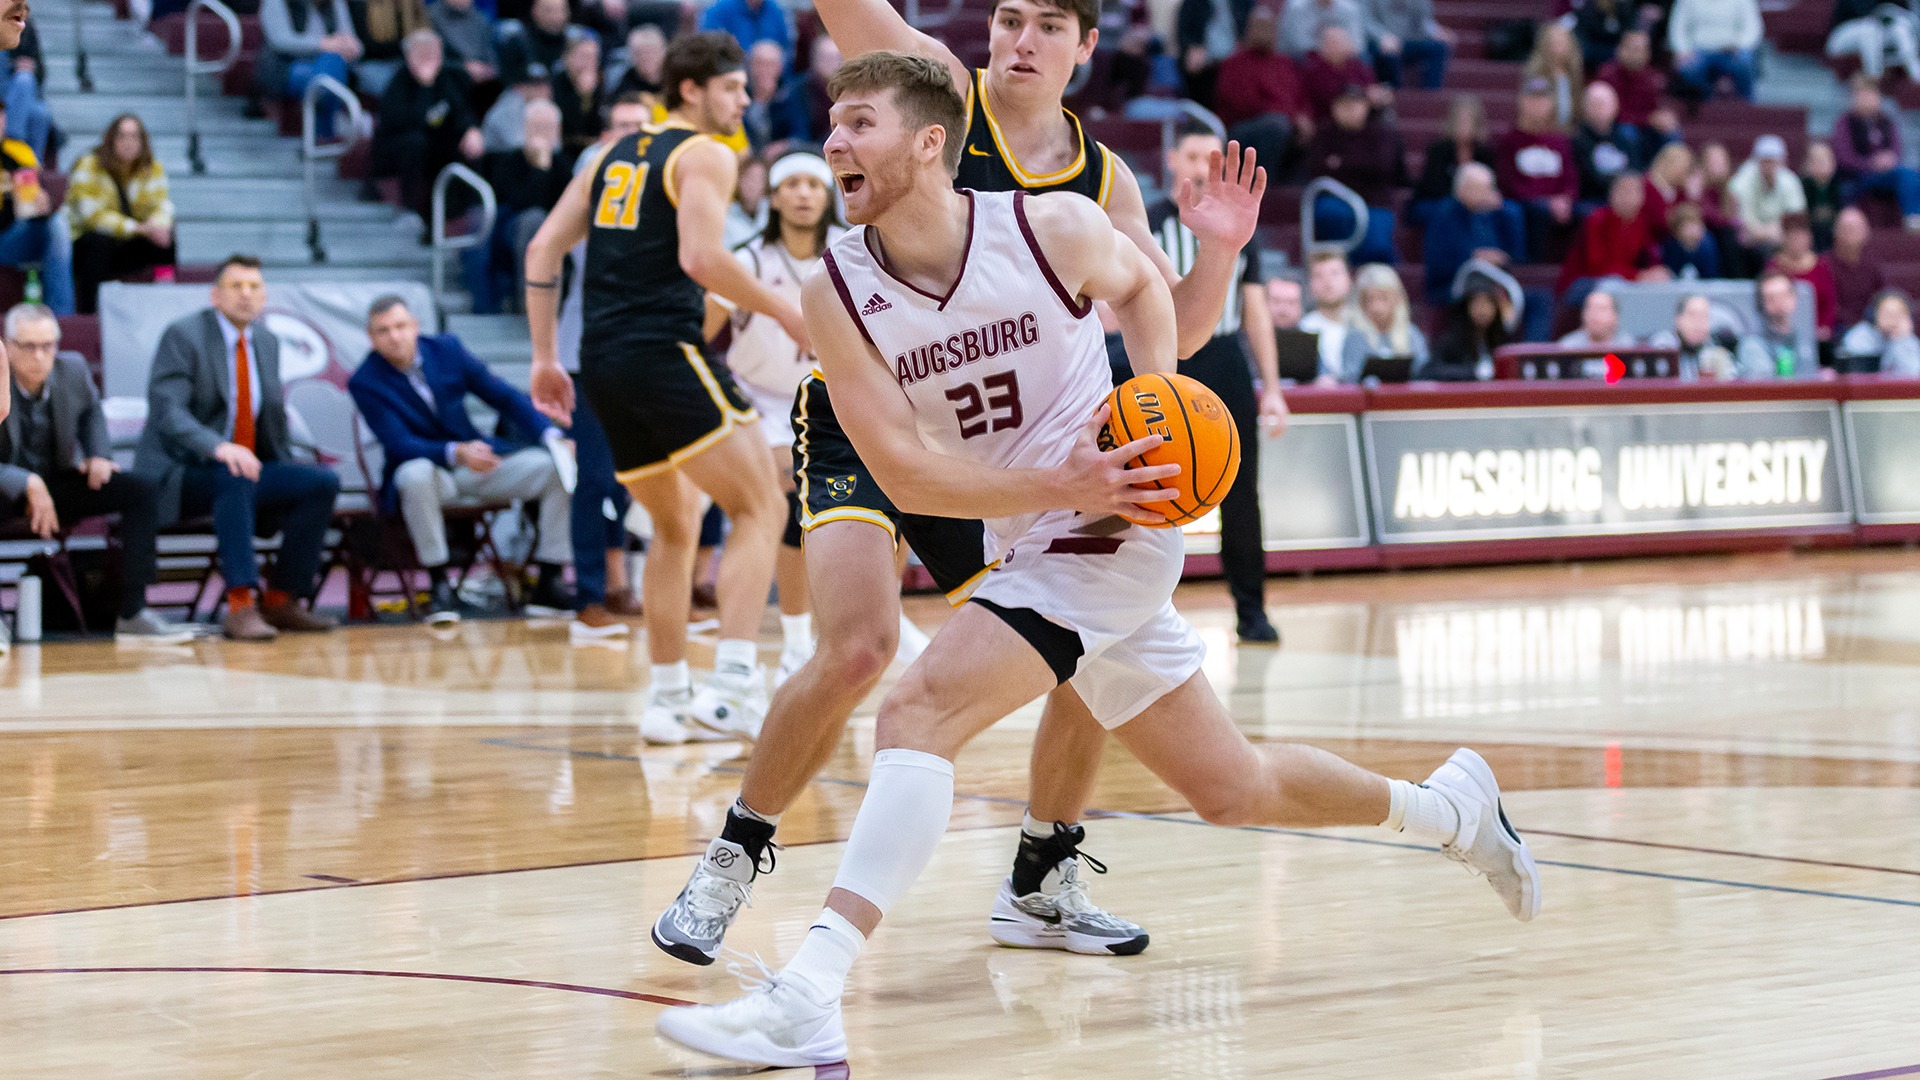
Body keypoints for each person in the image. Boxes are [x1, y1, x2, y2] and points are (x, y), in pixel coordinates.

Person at [654, 53, 1538, 1067]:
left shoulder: (1051, 227)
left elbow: (1146, 289)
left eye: (860, 123)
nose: (833, 141)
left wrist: (1155, 408)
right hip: (1032, 521)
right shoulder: (835, 290)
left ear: (930, 142)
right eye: (833, 122)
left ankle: (809, 992)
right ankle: (1451, 810)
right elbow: (903, 472)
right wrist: (1055, 481)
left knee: (917, 711)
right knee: (1234, 787)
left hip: (1114, 530)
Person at [647, 0, 1267, 969]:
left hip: (998, 444)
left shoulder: (1101, 181)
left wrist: (1218, 254)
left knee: (1081, 636)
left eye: (1049, 25)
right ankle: (732, 856)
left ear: (1086, 47)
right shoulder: (931, 88)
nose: (1021, 40)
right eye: (1009, 17)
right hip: (872, 414)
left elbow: (1168, 326)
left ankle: (1043, 872)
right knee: (859, 648)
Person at [525, 32, 797, 744]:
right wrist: (786, 309)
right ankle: (732, 688)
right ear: (690, 90)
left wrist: (544, 357)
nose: (744, 100)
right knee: (762, 504)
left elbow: (543, 248)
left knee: (675, 527)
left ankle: (668, 698)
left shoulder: (608, 155)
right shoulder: (704, 152)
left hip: (600, 361)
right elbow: (702, 258)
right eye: (732, 87)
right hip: (664, 350)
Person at [133, 255, 341, 642]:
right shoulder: (184, 335)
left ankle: (281, 599)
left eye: (254, 287)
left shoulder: (266, 341)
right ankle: (240, 604)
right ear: (215, 295)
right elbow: (168, 412)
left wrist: (283, 467)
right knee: (235, 474)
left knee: (320, 482)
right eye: (236, 286)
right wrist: (218, 447)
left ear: (264, 297)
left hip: (242, 470)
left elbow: (270, 418)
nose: (246, 294)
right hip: (181, 471)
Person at [1143, 123, 1289, 642]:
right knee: (1149, 490)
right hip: (1162, 356)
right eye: (1192, 156)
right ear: (1170, 160)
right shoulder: (1147, 221)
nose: (1203, 168)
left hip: (1226, 358)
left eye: (1211, 158)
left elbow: (1255, 309)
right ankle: (1143, 612)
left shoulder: (1238, 225)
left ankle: (1251, 610)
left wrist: (1272, 388)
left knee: (1241, 490)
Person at [704, 152, 845, 680]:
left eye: (814, 184)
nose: (804, 193)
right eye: (793, 184)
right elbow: (698, 335)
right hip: (758, 402)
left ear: (828, 196)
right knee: (789, 496)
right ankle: (792, 642)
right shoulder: (746, 260)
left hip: (831, 400)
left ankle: (816, 637)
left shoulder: (851, 253)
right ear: (773, 197)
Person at [350, 296, 574, 624]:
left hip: (479, 467)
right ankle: (439, 585)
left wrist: (551, 437)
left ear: (415, 326)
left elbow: (504, 396)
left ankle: (550, 580)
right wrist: (457, 451)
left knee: (558, 468)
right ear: (371, 338)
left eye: (400, 326)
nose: (394, 336)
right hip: (431, 472)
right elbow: (399, 444)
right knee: (414, 475)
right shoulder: (365, 380)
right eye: (383, 331)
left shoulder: (447, 350)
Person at [1, 303, 193, 643]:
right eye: (28, 346)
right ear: (8, 346)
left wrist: (98, 454)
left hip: (55, 481)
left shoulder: (73, 369)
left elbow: (92, 412)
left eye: (47, 346)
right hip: (5, 486)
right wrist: (25, 482)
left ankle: (133, 612)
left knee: (140, 491)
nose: (39, 356)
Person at [559, 94, 651, 640]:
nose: (631, 135)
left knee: (636, 476)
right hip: (588, 350)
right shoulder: (592, 174)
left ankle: (620, 584)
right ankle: (589, 595)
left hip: (644, 349)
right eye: (621, 126)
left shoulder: (665, 176)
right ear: (603, 135)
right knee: (594, 479)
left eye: (640, 126)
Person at [66, 114, 175, 316]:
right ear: (110, 140)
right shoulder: (88, 164)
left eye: (134, 136)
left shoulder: (152, 168)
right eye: (122, 136)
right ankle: (89, 314)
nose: (128, 142)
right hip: (86, 245)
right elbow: (92, 216)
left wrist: (158, 224)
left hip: (127, 244)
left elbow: (162, 205)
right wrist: (137, 228)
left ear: (143, 141)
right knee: (97, 241)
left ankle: (165, 296)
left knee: (166, 231)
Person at [372, 31, 485, 220]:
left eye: (434, 54)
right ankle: (409, 210)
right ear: (409, 57)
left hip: (434, 146)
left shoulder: (447, 79)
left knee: (469, 143)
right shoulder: (398, 83)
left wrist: (471, 130)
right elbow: (405, 123)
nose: (430, 60)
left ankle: (471, 211)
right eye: (423, 54)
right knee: (416, 142)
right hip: (399, 149)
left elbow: (460, 111)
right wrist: (425, 87)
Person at [1306, 86, 1405, 265]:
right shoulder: (1324, 133)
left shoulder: (1381, 133)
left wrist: (1341, 163)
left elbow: (1383, 167)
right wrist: (1361, 165)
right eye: (1344, 104)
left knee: (1378, 248)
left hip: (1375, 202)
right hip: (1336, 199)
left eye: (1355, 104)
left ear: (1366, 106)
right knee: (1329, 214)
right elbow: (1317, 169)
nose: (1349, 109)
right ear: (1334, 107)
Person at [1211, 8, 1311, 173]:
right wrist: (1291, 116)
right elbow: (1241, 104)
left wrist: (1304, 118)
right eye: (1259, 27)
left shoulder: (1284, 63)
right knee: (1275, 126)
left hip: (1285, 124)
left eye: (1268, 27)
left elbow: (1300, 97)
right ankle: (1263, 182)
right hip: (1241, 128)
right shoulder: (1234, 63)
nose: (1263, 33)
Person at [0, 101, 72, 316]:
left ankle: (61, 317)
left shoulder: (19, 151)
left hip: (14, 236)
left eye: (0, 117)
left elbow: (37, 191)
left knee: (58, 225)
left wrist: (44, 202)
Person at [1422, 161, 1525, 306]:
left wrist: (1504, 211)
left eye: (1490, 189)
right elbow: (1438, 266)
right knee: (1484, 295)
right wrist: (1474, 257)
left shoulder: (1490, 215)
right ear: (1463, 189)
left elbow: (1516, 253)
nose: (1489, 194)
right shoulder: (1444, 216)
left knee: (1537, 300)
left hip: (1491, 281)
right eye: (1483, 189)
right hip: (1452, 285)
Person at [1496, 77, 1577, 262]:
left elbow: (1570, 177)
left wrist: (1566, 198)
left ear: (1551, 104)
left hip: (1557, 202)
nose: (1537, 104)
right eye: (1532, 98)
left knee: (1584, 212)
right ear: (1522, 101)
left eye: (1543, 99)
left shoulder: (1560, 141)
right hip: (1526, 203)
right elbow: (1508, 183)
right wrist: (1547, 201)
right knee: (1535, 212)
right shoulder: (1510, 141)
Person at [1558, 171, 1666, 298]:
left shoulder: (1640, 223)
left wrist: (1655, 272)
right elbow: (1597, 267)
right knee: (1613, 285)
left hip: (1623, 281)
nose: (1631, 197)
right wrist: (1637, 275)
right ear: (1613, 194)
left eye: (1637, 191)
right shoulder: (1597, 220)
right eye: (1625, 191)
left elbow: (1650, 257)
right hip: (1583, 282)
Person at [1832, 74, 1920, 230]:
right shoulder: (1845, 123)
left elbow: (1896, 151)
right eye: (1863, 95)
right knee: (1904, 174)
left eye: (1872, 95)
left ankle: (1913, 218)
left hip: (1886, 174)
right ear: (1854, 98)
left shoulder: (1887, 122)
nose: (1868, 100)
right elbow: (1844, 157)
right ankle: (1913, 217)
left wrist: (1889, 160)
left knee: (1908, 174)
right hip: (1857, 176)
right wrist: (1871, 163)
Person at [257, 0, 361, 128]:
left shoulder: (335, 3)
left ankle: (320, 129)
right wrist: (323, 44)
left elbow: (351, 41)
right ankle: (326, 131)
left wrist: (352, 48)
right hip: (286, 66)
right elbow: (280, 41)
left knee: (330, 65)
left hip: (330, 65)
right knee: (328, 77)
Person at [1413, 95, 1496, 224]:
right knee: (1449, 208)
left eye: (1468, 120)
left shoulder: (1485, 153)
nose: (1464, 125)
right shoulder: (1438, 150)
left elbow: (1491, 185)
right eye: (1460, 120)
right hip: (1437, 200)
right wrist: (1466, 197)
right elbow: (1433, 187)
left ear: (1477, 123)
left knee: (1506, 210)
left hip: (1475, 201)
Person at [1727, 135, 1806, 265]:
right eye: (1765, 161)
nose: (1769, 166)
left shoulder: (1790, 181)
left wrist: (1769, 233)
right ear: (1756, 161)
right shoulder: (1742, 182)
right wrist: (1772, 232)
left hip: (1778, 239)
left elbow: (1795, 220)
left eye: (1773, 161)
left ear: (1781, 162)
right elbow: (1744, 222)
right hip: (1751, 242)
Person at [1340, 262, 1428, 379]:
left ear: (1397, 299)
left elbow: (1424, 374)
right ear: (1362, 303)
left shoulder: (1412, 335)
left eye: (1383, 298)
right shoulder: (1355, 337)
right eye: (1370, 300)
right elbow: (1350, 379)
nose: (1377, 307)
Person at [1422, 270, 1514, 380]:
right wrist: (1473, 372)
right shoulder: (1453, 341)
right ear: (1466, 306)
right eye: (1477, 303)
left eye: (1488, 303)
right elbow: (1429, 371)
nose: (1482, 309)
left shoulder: (1502, 339)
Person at [1668, 0, 1761, 101]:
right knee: (1687, 68)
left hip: (1731, 50)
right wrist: (1683, 50)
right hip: (1699, 50)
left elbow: (1752, 28)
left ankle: (1747, 102)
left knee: (1744, 61)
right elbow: (1677, 27)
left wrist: (1740, 45)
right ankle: (1706, 101)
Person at [1765, 214, 1838, 341]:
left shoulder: (1821, 266)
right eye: (1792, 235)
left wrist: (1824, 327)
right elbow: (1765, 300)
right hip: (1781, 333)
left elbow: (1830, 303)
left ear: (1810, 237)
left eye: (1801, 235)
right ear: (1784, 238)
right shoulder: (1773, 266)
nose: (1797, 240)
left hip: (1818, 334)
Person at [1571, 81, 1640, 212]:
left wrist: (1625, 193)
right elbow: (1587, 177)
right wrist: (1617, 192)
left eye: (1603, 104)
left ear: (1615, 107)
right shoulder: (1577, 139)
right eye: (1594, 104)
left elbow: (1634, 170)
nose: (1599, 109)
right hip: (1593, 199)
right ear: (1584, 108)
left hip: (1625, 198)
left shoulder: (1626, 137)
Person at [1737, 270, 1819, 377]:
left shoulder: (1805, 340)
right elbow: (1764, 384)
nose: (1779, 302)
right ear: (1760, 304)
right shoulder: (1752, 345)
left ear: (1794, 298)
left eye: (1784, 295)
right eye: (1771, 298)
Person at [1300, 25, 1389, 121]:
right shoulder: (1313, 70)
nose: (1336, 47)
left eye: (1340, 42)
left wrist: (1377, 94)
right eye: (1332, 43)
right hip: (1327, 117)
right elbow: (1313, 98)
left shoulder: (1358, 66)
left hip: (1361, 115)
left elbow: (1371, 87)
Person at [1647, 293, 1739, 379]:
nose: (1698, 323)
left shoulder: (1714, 349)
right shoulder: (1662, 347)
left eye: (1704, 316)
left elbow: (1734, 382)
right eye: (1692, 315)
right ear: (1678, 319)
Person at [1364, 0, 1451, 89]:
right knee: (1387, 54)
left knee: (1438, 47)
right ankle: (1393, 91)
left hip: (1407, 42)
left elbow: (1424, 20)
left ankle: (1431, 92)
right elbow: (1366, 20)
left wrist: (1435, 31)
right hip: (1379, 41)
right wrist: (1382, 36)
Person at [1827, 0, 1920, 82]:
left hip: (1873, 33)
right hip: (1839, 37)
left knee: (1900, 28)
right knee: (1869, 27)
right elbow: (1865, 13)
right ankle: (1874, 77)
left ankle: (1915, 74)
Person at [742, 40, 812, 149]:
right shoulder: (741, 96)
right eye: (759, 63)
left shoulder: (791, 96)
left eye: (771, 64)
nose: (765, 70)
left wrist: (781, 146)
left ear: (780, 67)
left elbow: (801, 135)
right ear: (750, 66)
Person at [1299, 250, 1355, 380]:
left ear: (1349, 279)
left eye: (1335, 274)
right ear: (1309, 284)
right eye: (1319, 276)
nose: (1328, 282)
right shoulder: (1303, 330)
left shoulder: (1365, 326)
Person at [552, 34, 605, 169]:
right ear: (567, 58)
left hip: (595, 150)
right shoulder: (555, 84)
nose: (589, 63)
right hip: (563, 152)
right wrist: (583, 96)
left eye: (593, 57)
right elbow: (569, 125)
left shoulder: (604, 83)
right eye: (583, 56)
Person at [1838, 288, 1920, 375]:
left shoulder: (1906, 338)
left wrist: (1900, 340)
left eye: (1900, 313)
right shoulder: (1859, 337)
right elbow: (1863, 372)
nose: (1893, 318)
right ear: (1873, 314)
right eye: (1888, 313)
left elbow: (1915, 372)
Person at [1830, 206, 1886, 331]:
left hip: (1870, 327)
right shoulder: (1824, 265)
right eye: (1847, 229)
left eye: (1857, 229)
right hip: (1837, 328)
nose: (1851, 234)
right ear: (1836, 231)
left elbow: (1880, 299)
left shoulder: (1872, 266)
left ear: (1866, 233)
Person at [483, 62, 554, 154]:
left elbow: (555, 147)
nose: (543, 89)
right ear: (520, 87)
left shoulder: (544, 108)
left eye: (545, 83)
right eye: (535, 85)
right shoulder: (510, 105)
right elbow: (516, 144)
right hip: (498, 157)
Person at [1524, 23, 1584, 127]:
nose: (1558, 46)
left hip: (1569, 128)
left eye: (1562, 41)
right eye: (1554, 42)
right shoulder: (1537, 73)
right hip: (1545, 128)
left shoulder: (1574, 73)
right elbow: (1534, 108)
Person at [430, 0, 498, 88]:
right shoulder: (431, 17)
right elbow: (431, 61)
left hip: (484, 82)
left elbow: (490, 54)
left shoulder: (479, 17)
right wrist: (464, 66)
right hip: (448, 81)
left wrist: (489, 70)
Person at [699, 0, 793, 56]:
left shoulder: (775, 10)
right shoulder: (720, 10)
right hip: (732, 71)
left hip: (770, 76)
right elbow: (709, 47)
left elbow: (785, 47)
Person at [1279, 0, 1367, 58]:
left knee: (1363, 58)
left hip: (1342, 55)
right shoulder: (1297, 8)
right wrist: (1330, 48)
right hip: (1306, 56)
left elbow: (1358, 45)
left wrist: (1337, 49)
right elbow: (1299, 43)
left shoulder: (1350, 9)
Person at [1660, 202, 1722, 280]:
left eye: (1695, 224)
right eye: (1687, 226)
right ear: (1677, 231)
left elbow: (1711, 273)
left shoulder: (1707, 244)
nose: (1692, 230)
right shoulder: (1671, 246)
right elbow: (1670, 272)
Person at [1558, 288, 1633, 348]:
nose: (1595, 314)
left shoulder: (1628, 348)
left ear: (1615, 316)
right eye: (1590, 308)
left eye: (1601, 309)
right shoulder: (1568, 347)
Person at [1803, 140, 1843, 251]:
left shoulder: (1841, 187)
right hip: (1810, 238)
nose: (1821, 163)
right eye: (1816, 160)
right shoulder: (1801, 188)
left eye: (1825, 159)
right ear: (1807, 164)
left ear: (1833, 163)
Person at [724, 154, 770, 248]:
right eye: (748, 177)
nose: (752, 184)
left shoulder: (775, 211)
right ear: (737, 180)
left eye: (759, 179)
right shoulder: (725, 214)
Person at [611, 24, 665, 101]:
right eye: (640, 53)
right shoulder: (626, 84)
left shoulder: (672, 79)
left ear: (662, 52)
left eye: (651, 51)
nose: (646, 58)